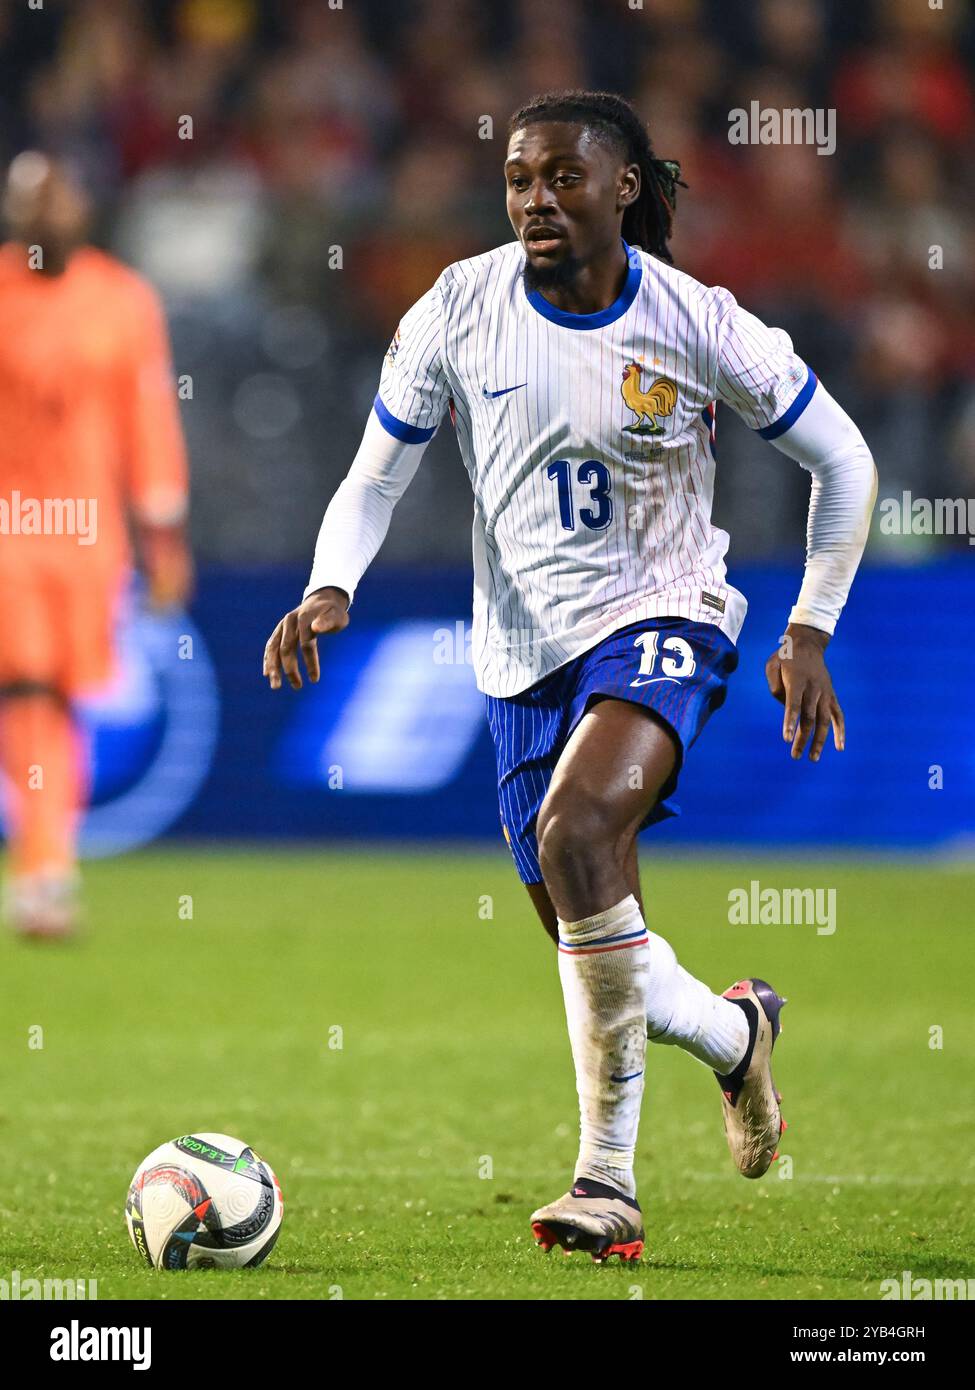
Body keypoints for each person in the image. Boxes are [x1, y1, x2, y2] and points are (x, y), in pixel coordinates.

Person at [263, 91, 877, 1263]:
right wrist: (330, 582)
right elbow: (374, 476)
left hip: (666, 612)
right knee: (601, 941)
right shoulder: (459, 306)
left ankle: (607, 1183)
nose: (536, 200)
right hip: (519, 654)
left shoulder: (699, 322)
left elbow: (840, 456)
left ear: (625, 187)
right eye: (518, 180)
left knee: (581, 826)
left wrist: (810, 627)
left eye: (562, 178)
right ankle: (738, 1034)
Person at [0, 152, 192, 938]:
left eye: (58, 199)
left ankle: (49, 861)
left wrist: (165, 535)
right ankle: (45, 872)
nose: (47, 215)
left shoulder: (123, 300)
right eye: (32, 202)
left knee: (63, 698)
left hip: (89, 537)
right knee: (29, 685)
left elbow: (148, 424)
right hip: (10, 528)